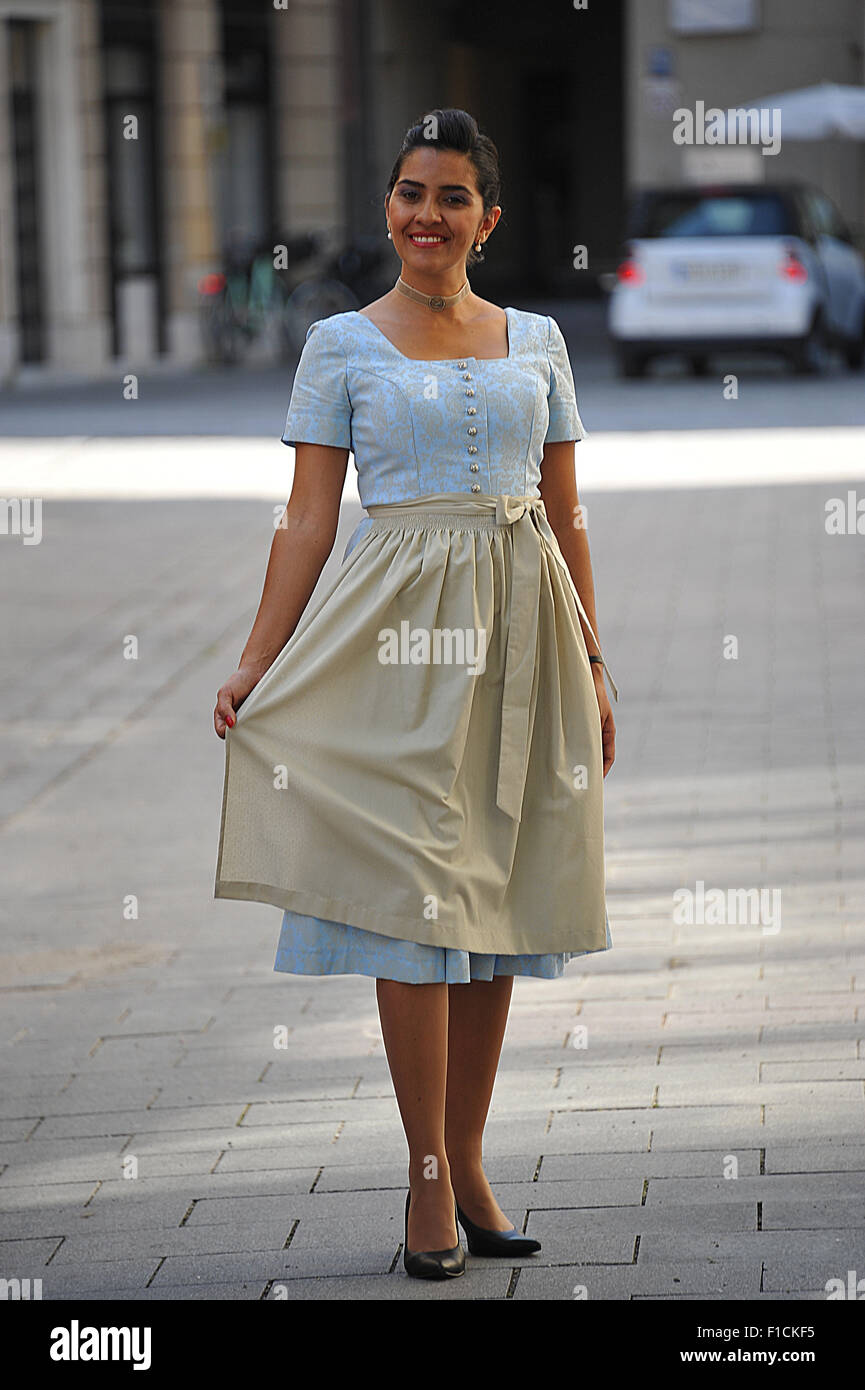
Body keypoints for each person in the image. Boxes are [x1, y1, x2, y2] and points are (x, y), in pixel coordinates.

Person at [213, 108, 618, 1281]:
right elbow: (306, 520)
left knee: (496, 900)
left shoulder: (539, 339)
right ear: (387, 206)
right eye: (408, 192)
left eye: (450, 196)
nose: (425, 214)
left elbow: (565, 512)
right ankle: (426, 1177)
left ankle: (471, 1163)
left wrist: (595, 662)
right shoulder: (339, 345)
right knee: (417, 899)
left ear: (487, 220)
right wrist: (256, 661)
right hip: (395, 646)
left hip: (527, 638)